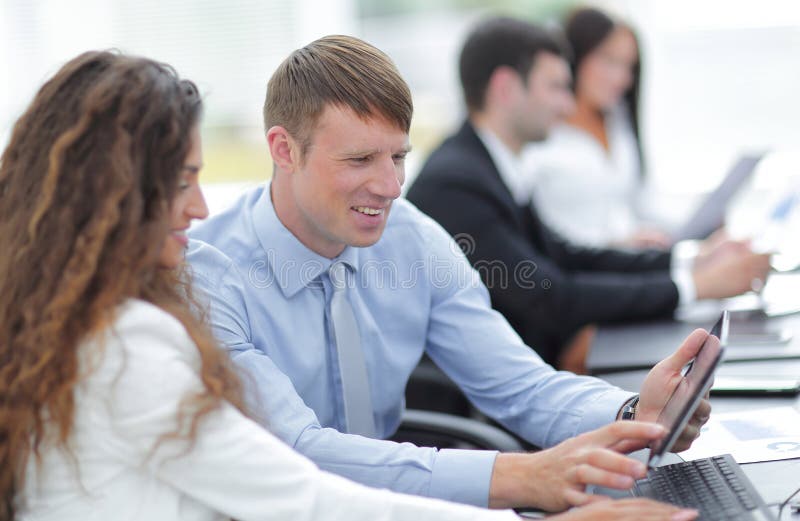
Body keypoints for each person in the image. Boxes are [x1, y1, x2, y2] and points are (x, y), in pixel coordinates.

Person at [0, 50, 540, 521]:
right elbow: (304, 491)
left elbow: (518, 383)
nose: (199, 207)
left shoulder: (63, 325)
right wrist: (525, 492)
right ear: (107, 196)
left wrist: (617, 422)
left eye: (398, 158)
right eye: (183, 182)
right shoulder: (135, 342)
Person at [188, 34, 703, 519]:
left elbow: (517, 384)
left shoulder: (413, 238)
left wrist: (633, 411)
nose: (390, 186)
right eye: (361, 159)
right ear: (283, 150)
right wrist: (517, 476)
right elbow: (299, 452)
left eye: (398, 157)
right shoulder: (209, 274)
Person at [406, 17, 770, 368]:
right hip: (485, 400)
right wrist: (694, 286)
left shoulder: (490, 165)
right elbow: (548, 296)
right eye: (555, 88)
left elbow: (566, 256)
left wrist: (689, 261)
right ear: (505, 88)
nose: (567, 106)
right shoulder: (456, 183)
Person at [520, 7, 669, 249]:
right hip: (584, 272)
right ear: (576, 56)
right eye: (609, 61)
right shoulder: (542, 134)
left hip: (637, 266)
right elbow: (540, 235)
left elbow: (637, 207)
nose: (622, 78)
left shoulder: (618, 124)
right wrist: (616, 244)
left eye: (629, 66)